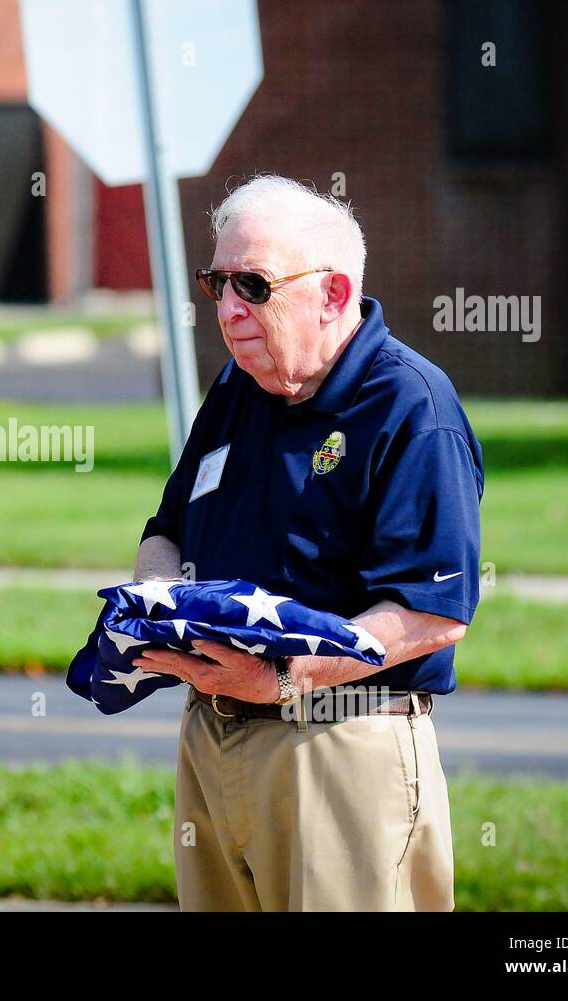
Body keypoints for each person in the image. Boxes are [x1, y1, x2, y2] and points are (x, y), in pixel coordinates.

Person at [133, 175, 482, 911]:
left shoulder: (411, 405)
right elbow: (167, 531)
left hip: (337, 742)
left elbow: (433, 611)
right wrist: (157, 604)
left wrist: (284, 681)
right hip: (214, 734)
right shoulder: (240, 387)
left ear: (331, 293)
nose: (227, 310)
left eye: (253, 285)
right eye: (216, 282)